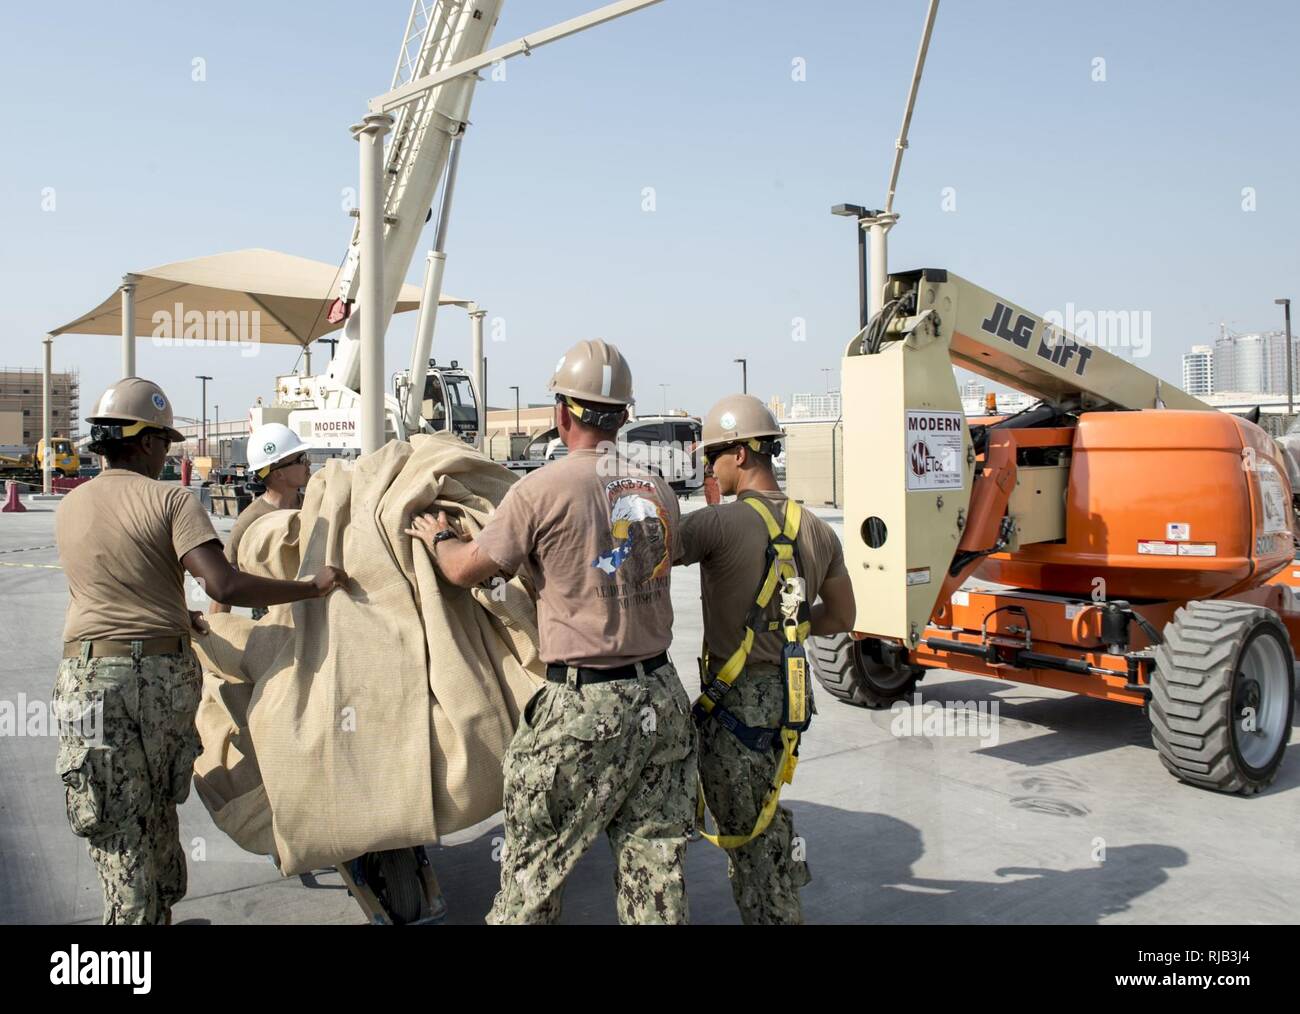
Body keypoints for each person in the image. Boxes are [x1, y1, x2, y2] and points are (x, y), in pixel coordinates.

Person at [406, 340, 697, 924]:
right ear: (623, 416)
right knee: (655, 872)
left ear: (562, 414)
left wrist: (438, 535)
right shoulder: (657, 488)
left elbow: (465, 571)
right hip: (662, 699)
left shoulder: (539, 491)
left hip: (587, 707)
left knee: (533, 872)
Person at [53, 378, 348, 925]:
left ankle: (152, 918)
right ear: (144, 443)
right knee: (153, 807)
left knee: (117, 811)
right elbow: (225, 586)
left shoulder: (69, 506)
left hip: (87, 675)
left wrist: (170, 615)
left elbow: (109, 589)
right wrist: (312, 587)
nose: (168, 452)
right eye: (165, 441)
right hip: (157, 677)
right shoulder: (170, 498)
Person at [673, 394, 856, 924]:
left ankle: (777, 909)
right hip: (788, 698)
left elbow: (648, 551)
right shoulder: (818, 529)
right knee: (763, 814)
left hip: (733, 707)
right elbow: (843, 616)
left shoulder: (717, 525)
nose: (710, 467)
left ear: (743, 454)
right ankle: (781, 890)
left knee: (748, 841)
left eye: (715, 456)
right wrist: (790, 626)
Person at [210, 422, 312, 618]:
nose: (307, 464)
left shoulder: (313, 508)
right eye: (300, 459)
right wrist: (216, 635)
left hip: (312, 616)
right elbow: (224, 582)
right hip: (270, 624)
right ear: (278, 472)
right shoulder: (250, 521)